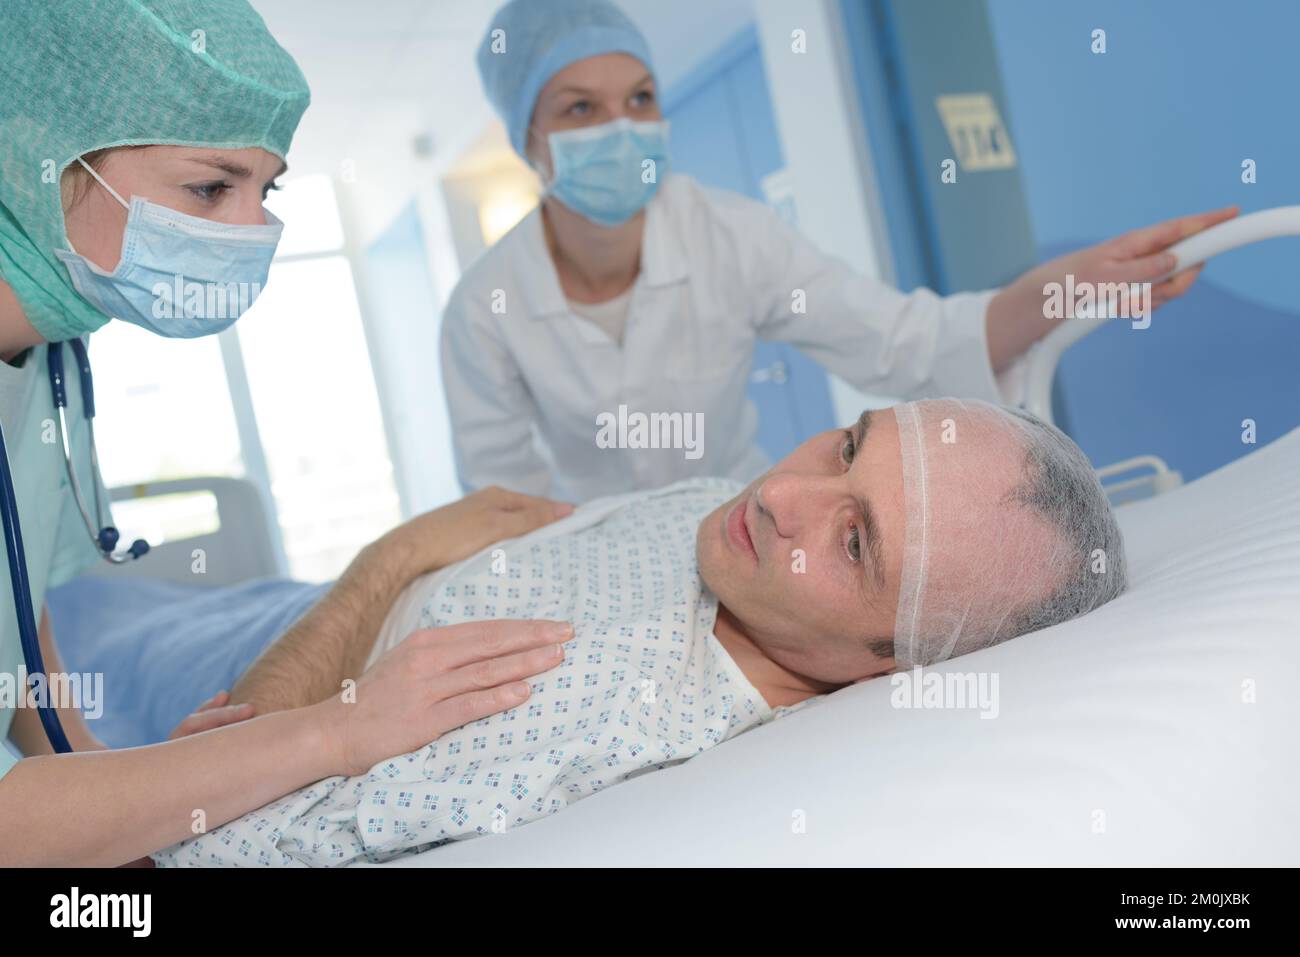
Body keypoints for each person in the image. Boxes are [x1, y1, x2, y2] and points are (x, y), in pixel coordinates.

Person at [0, 0, 567, 867]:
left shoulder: (46, 366)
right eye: (208, 187)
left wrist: (118, 779)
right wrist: (336, 730)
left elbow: (16, 605)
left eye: (264, 191)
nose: (251, 231)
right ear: (37, 155)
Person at [161, 397, 1124, 866]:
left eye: (855, 540)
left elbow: (182, 835)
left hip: (226, 672)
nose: (782, 493)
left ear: (887, 673)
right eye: (846, 446)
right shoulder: (734, 530)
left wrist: (386, 561)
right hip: (280, 611)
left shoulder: (601, 713)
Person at [442, 0, 1235, 502]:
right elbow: (502, 504)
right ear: (528, 139)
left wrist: (1065, 287)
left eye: (640, 98)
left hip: (746, 518)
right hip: (596, 562)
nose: (623, 128)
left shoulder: (731, 236)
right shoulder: (486, 309)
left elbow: (903, 342)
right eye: (581, 107)